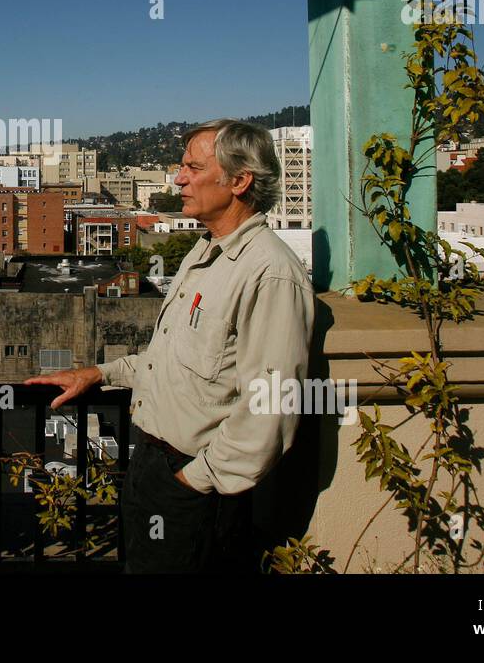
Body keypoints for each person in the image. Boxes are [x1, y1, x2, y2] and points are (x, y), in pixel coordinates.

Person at [26, 119, 315, 573]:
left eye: (192, 168)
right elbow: (177, 363)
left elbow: (272, 406)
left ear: (239, 181)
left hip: (198, 487)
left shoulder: (268, 273)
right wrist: (100, 374)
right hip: (152, 467)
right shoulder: (204, 254)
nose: (178, 178)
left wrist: (193, 480)